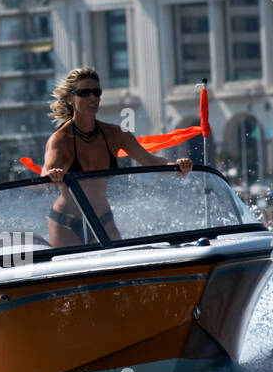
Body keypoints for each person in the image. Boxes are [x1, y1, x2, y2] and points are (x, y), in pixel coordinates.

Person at [41, 67, 192, 245]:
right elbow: (46, 172)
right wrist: (53, 175)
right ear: (70, 99)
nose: (92, 98)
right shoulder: (60, 140)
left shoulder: (116, 134)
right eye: (84, 93)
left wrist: (176, 167)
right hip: (66, 221)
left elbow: (150, 161)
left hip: (104, 218)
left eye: (96, 92)